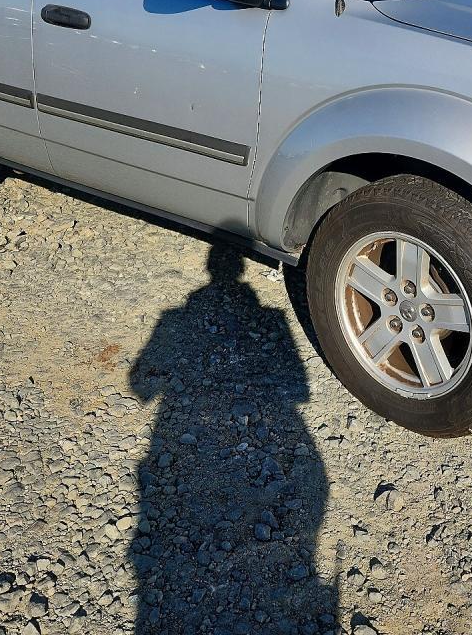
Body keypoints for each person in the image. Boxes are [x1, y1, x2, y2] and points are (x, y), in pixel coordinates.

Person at [129, 245, 336, 633]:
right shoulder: (271, 318)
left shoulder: (174, 318)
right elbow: (300, 387)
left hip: (184, 439)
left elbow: (139, 385)